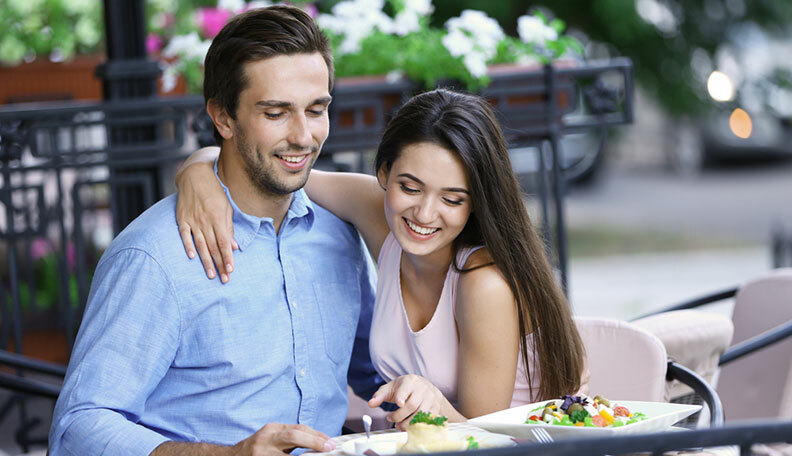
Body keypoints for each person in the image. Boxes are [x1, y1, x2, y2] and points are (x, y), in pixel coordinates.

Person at [49, 6, 382, 455]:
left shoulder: (338, 235)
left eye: (316, 109)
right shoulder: (154, 256)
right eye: (276, 112)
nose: (303, 136)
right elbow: (78, 428)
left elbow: (372, 373)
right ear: (223, 118)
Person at [176, 88, 589, 430]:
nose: (424, 215)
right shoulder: (383, 218)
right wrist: (196, 172)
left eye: (452, 198)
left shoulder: (483, 285)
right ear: (384, 173)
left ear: (476, 204)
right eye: (411, 187)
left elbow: (487, 441)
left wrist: (433, 404)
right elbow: (273, 171)